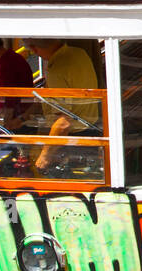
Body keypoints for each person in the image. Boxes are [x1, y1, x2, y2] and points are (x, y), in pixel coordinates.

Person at [24, 40, 99, 173]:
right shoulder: (79, 53)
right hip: (92, 128)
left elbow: (63, 123)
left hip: (73, 140)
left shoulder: (57, 70)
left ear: (35, 49)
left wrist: (44, 157)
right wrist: (23, 117)